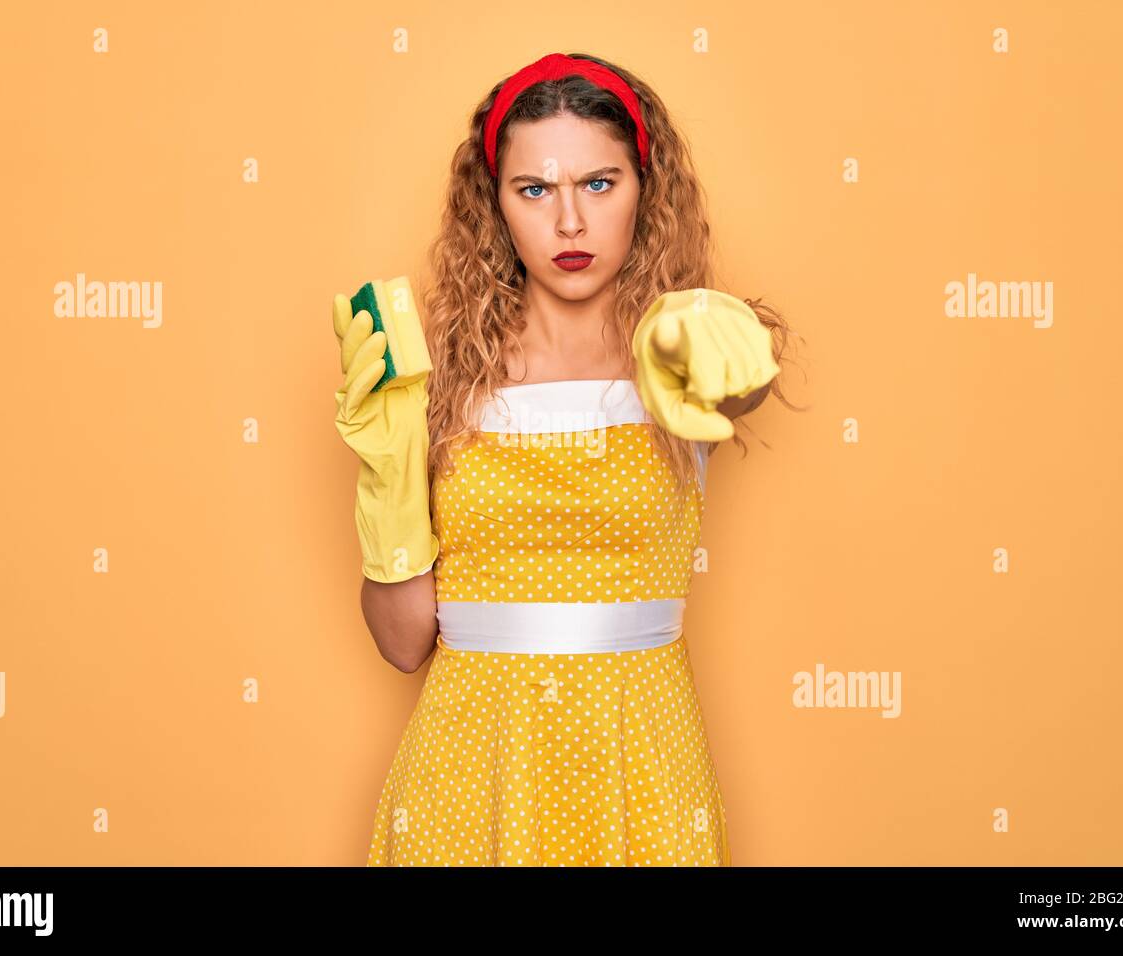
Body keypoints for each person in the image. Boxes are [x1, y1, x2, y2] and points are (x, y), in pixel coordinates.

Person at [336, 52, 800, 866]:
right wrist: (387, 483)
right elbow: (406, 646)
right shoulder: (437, 381)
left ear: (644, 192)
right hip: (468, 775)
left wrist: (729, 350)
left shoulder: (682, 356)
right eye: (535, 190)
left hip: (645, 769)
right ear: (495, 206)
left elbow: (741, 384)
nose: (570, 225)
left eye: (598, 183)